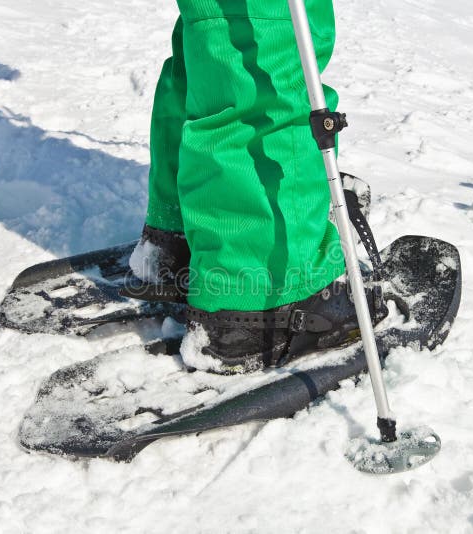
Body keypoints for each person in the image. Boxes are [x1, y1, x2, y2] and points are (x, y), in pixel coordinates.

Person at [129, 0, 384, 374]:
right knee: (268, 36)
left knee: (215, 30)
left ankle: (179, 236)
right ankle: (263, 290)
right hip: (266, 291)